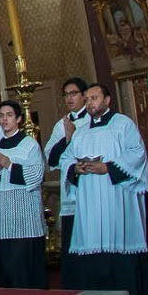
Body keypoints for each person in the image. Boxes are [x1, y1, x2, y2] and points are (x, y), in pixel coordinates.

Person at [62, 83, 148, 295]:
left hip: (117, 199)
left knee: (118, 242)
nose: (90, 103)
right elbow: (66, 159)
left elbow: (137, 154)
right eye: (88, 99)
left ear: (107, 100)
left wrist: (108, 168)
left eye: (95, 98)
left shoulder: (123, 125)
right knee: (94, 252)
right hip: (90, 202)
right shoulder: (81, 133)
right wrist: (75, 168)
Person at [0, 100, 46, 288]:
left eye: (9, 115)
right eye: (1, 115)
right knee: (7, 264)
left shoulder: (29, 145)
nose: (4, 119)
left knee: (25, 264)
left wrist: (10, 165)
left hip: (25, 214)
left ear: (18, 119)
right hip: (3, 214)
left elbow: (36, 175)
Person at [43, 77, 90, 257]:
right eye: (66, 95)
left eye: (73, 94)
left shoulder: (91, 121)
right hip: (69, 190)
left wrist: (75, 136)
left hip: (89, 188)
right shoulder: (60, 125)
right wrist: (67, 139)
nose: (69, 98)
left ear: (84, 95)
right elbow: (51, 158)